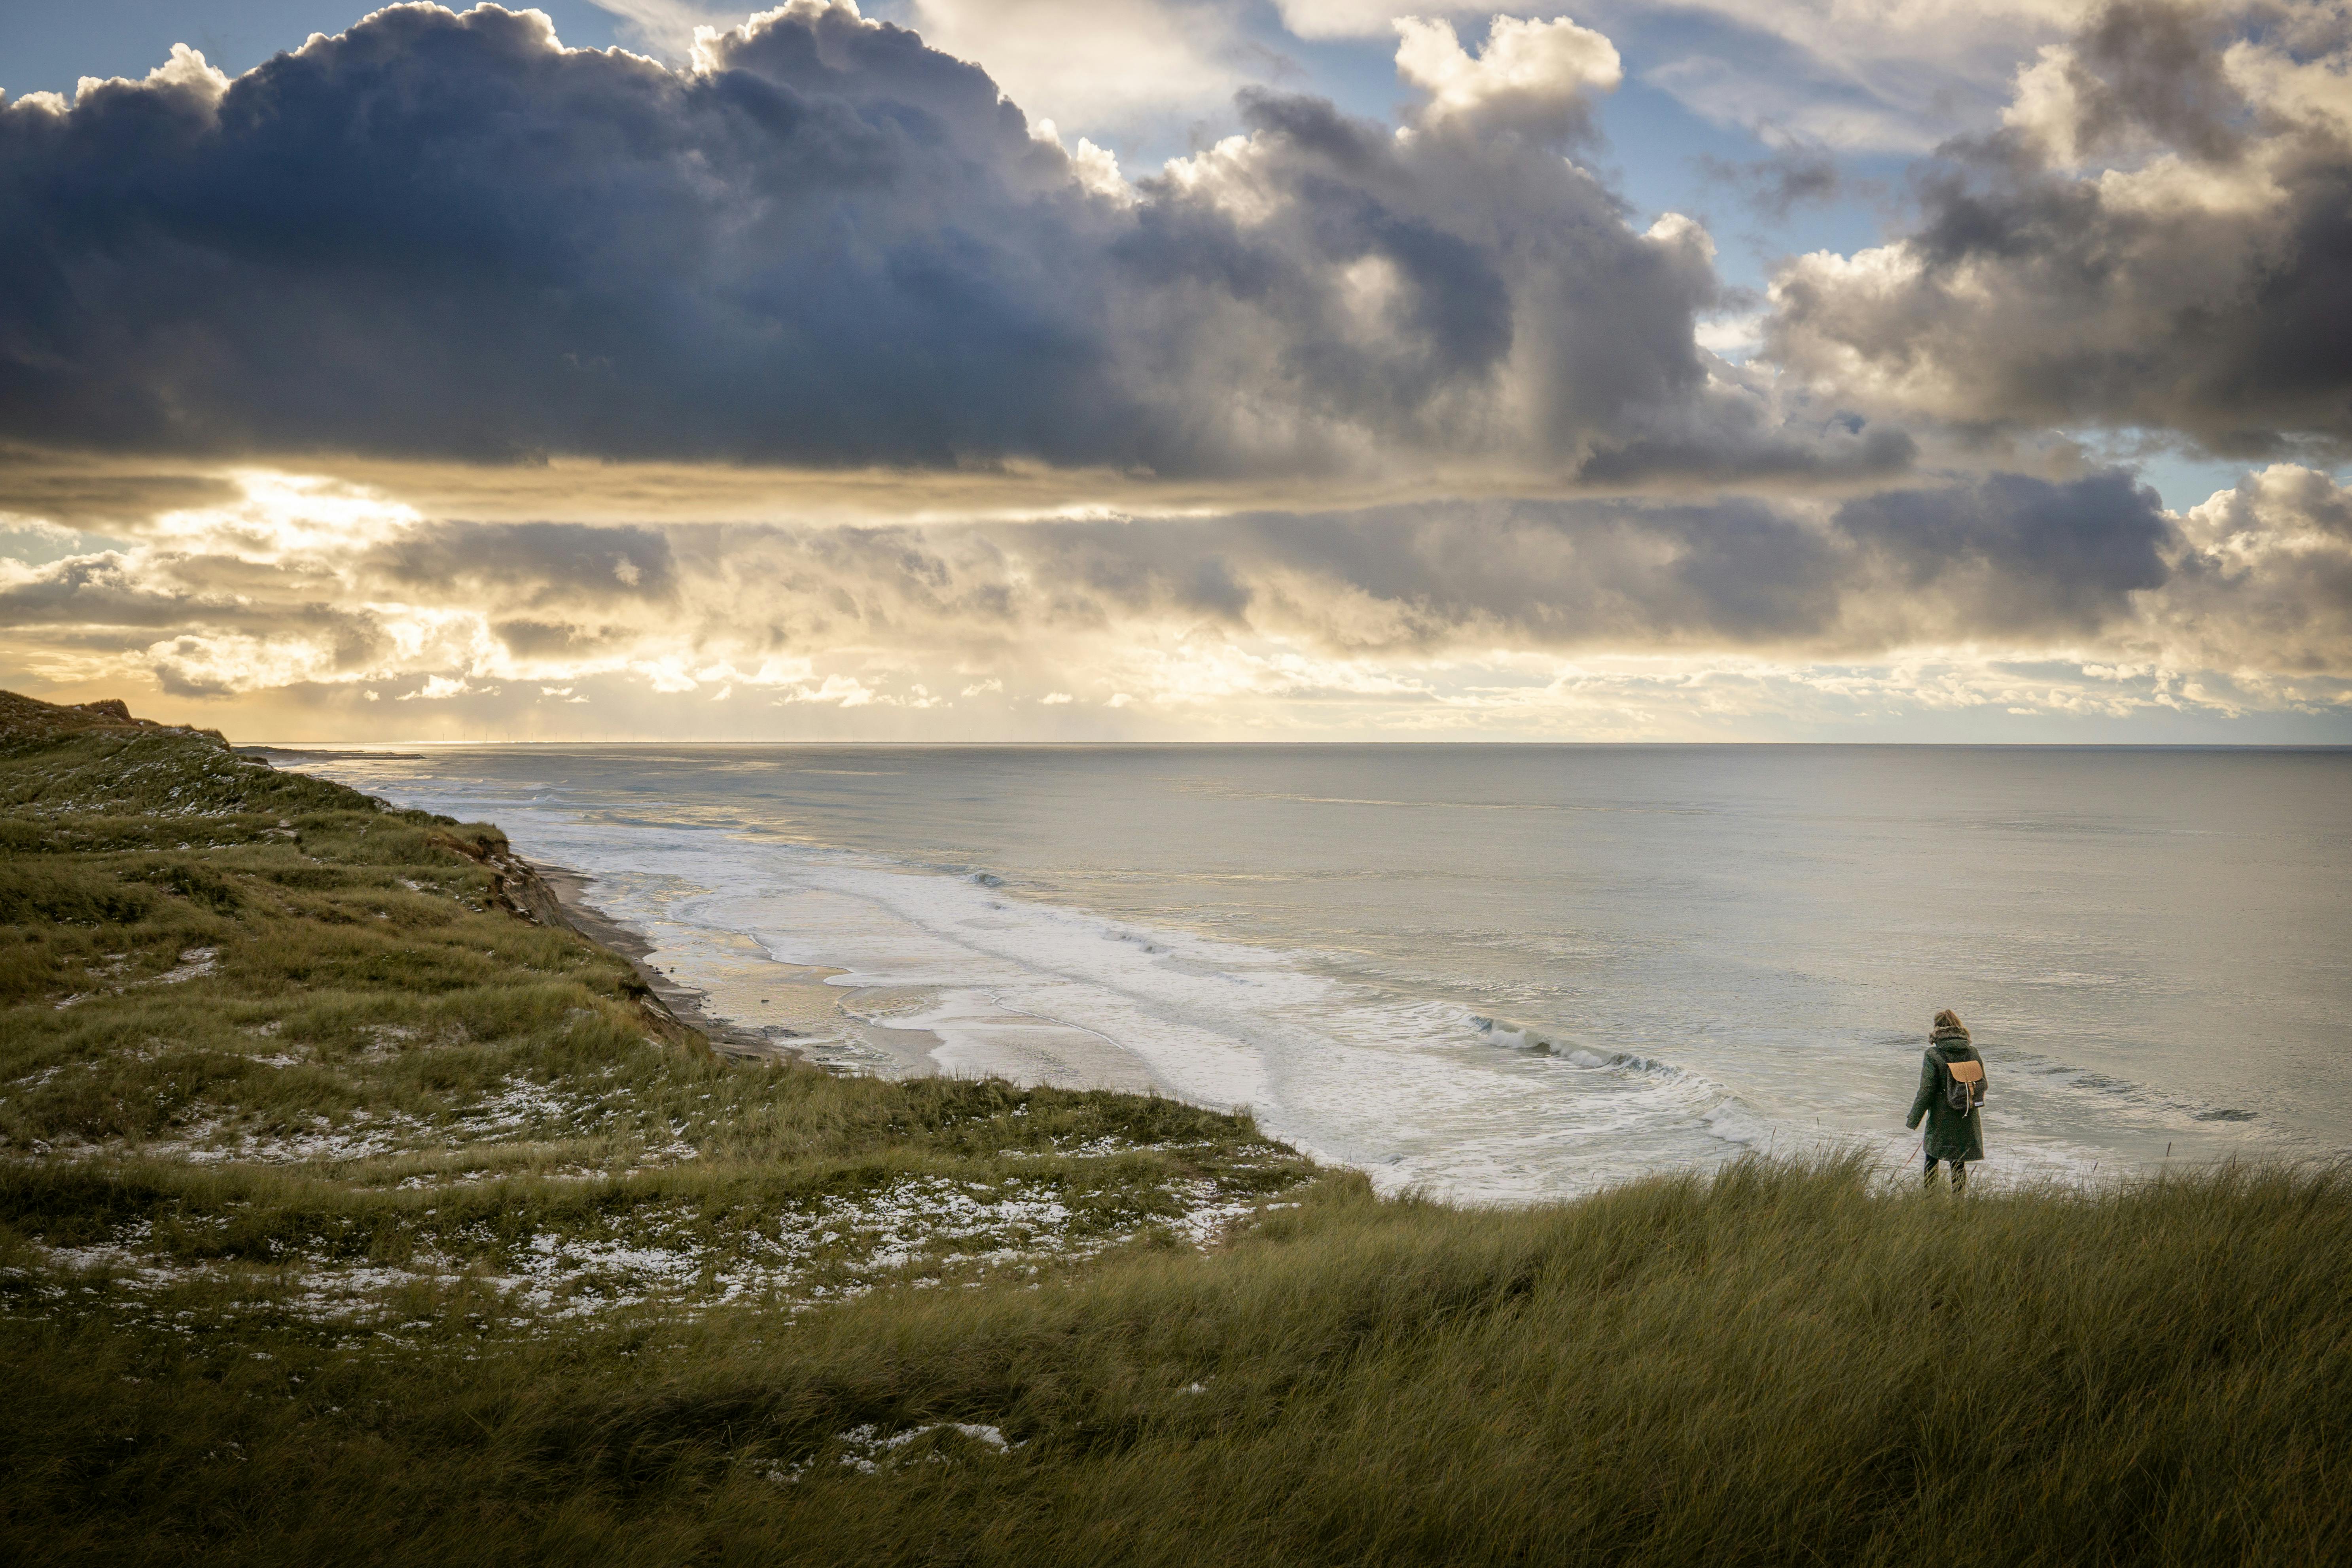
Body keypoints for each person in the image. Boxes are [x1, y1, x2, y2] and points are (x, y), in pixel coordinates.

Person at [1906, 1008, 1986, 1192]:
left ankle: (1930, 1200)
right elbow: (1982, 1084)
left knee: (1932, 1157)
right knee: (1958, 1162)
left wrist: (1914, 1119)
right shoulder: (1972, 1052)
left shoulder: (1933, 1055)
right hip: (1967, 1114)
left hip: (1941, 1116)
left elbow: (1926, 1091)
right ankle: (1959, 1202)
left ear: (1937, 1029)